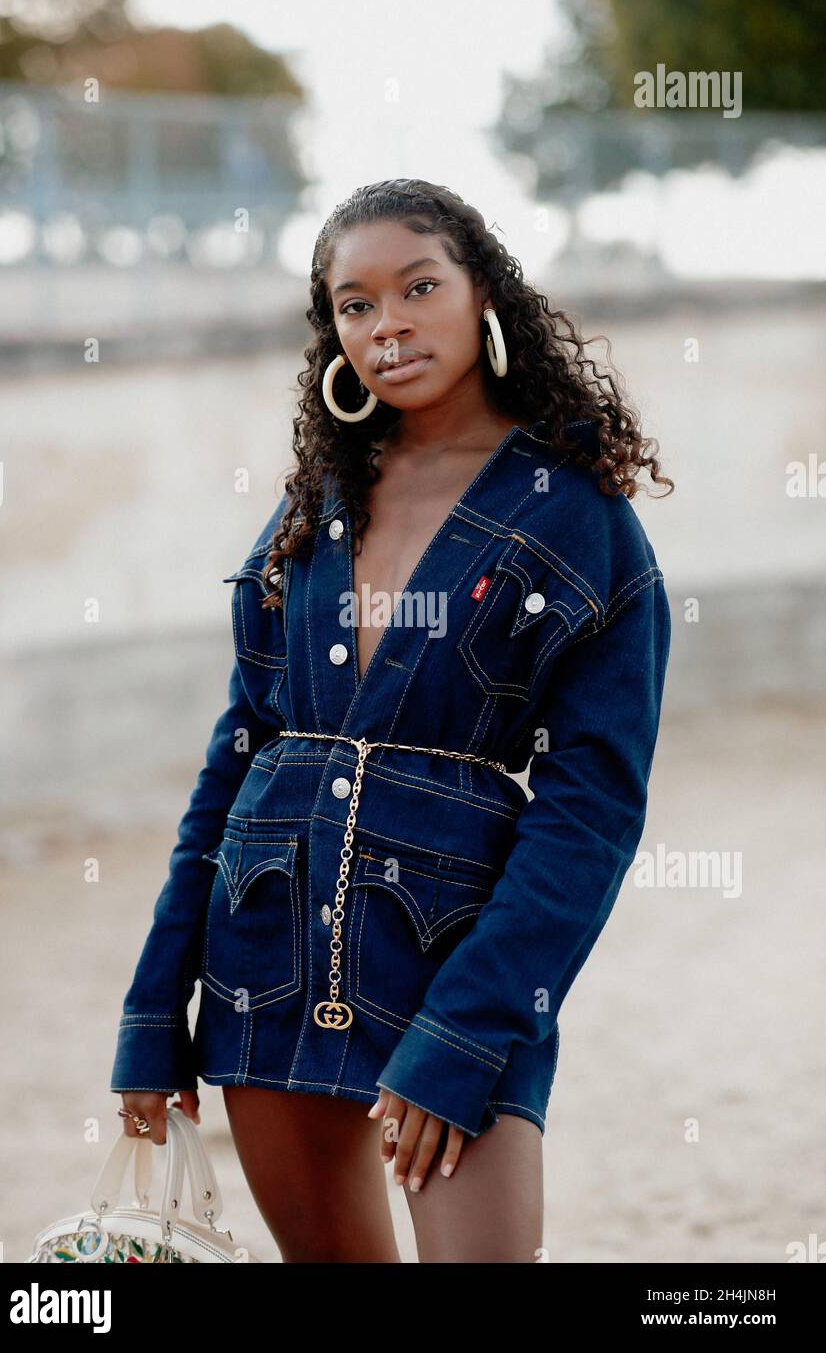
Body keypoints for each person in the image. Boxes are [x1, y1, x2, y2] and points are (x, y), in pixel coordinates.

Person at [110, 177, 674, 1263]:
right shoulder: (314, 503)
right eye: (355, 304)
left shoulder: (581, 524)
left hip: (453, 967)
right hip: (261, 959)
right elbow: (235, 766)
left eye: (418, 287)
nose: (388, 325)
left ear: (484, 296)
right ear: (333, 332)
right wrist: (152, 1011)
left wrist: (466, 1028)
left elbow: (590, 814)